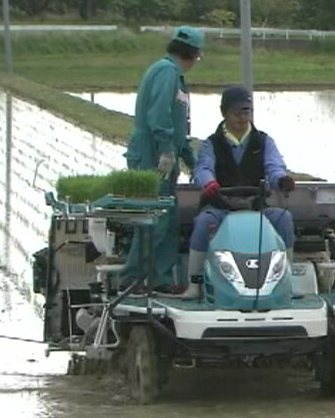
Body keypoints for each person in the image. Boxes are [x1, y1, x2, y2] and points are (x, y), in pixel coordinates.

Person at [182, 85, 297, 300]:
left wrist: (281, 179)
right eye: (237, 112)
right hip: (220, 208)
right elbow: (203, 168)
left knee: (284, 219)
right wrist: (209, 183)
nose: (242, 117)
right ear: (224, 113)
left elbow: (274, 166)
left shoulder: (263, 141)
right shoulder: (211, 144)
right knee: (202, 223)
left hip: (256, 208)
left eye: (246, 112)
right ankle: (194, 283)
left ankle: (286, 282)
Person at [120, 25, 204, 294]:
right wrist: (167, 150)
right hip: (152, 154)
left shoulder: (174, 75)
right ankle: (132, 279)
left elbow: (180, 128)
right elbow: (159, 117)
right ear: (192, 54)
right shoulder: (166, 72)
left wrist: (191, 160)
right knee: (153, 218)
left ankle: (160, 279)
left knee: (168, 218)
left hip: (164, 152)